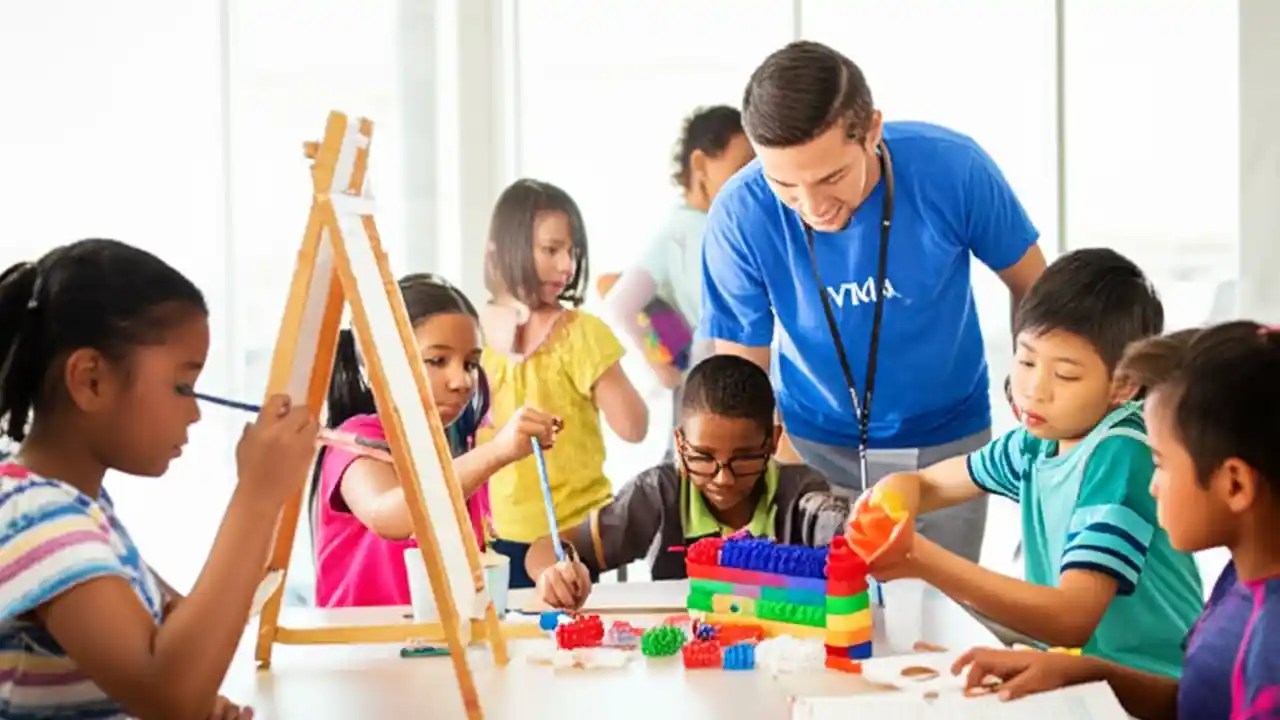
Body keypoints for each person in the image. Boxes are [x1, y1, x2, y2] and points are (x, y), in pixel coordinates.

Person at [701, 40, 1047, 563]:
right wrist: (779, 474)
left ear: (872, 131)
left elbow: (1035, 288)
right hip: (811, 445)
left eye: (831, 177)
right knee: (823, 621)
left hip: (949, 446)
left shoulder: (953, 170)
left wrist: (1033, 393)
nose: (812, 207)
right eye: (786, 185)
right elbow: (739, 375)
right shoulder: (740, 214)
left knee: (937, 623)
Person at [0, 239, 317, 719]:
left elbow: (170, 632)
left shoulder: (74, 507)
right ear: (91, 380)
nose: (194, 413)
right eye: (182, 386)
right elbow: (169, 695)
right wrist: (256, 496)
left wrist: (204, 702)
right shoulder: (36, 516)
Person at [868, 249, 1203, 678]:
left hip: (1150, 684)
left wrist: (918, 558)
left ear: (1124, 385)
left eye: (1065, 375)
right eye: (1026, 361)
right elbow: (930, 484)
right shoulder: (1036, 443)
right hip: (1074, 670)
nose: (1033, 390)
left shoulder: (1121, 449)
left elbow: (1071, 618)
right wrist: (892, 496)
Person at [952, 322, 1280, 719]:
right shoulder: (1242, 578)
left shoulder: (1271, 643)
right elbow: (1202, 703)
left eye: (1159, 463)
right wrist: (1087, 673)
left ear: (1234, 484)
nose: (1153, 485)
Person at [310, 273, 560, 608]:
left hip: (434, 649)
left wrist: (552, 576)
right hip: (366, 651)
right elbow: (390, 515)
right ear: (375, 364)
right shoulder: (354, 443)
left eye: (470, 363)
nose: (461, 380)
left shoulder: (454, 458)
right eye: (437, 360)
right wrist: (496, 453)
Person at [528, 354, 849, 610]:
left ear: (773, 441)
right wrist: (555, 573)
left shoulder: (801, 496)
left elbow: (844, 534)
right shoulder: (659, 493)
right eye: (703, 457)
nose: (723, 478)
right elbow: (544, 549)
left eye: (744, 457)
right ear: (680, 443)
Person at [478, 179, 648, 588]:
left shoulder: (580, 333)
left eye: (571, 252)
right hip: (494, 540)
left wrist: (602, 364)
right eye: (551, 250)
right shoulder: (470, 337)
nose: (566, 266)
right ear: (500, 253)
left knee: (583, 646)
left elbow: (634, 426)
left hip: (577, 538)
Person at [600, 105, 755, 389]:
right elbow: (620, 303)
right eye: (741, 167)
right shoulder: (679, 232)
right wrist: (666, 372)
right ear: (699, 164)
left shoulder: (716, 226)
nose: (750, 180)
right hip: (715, 383)